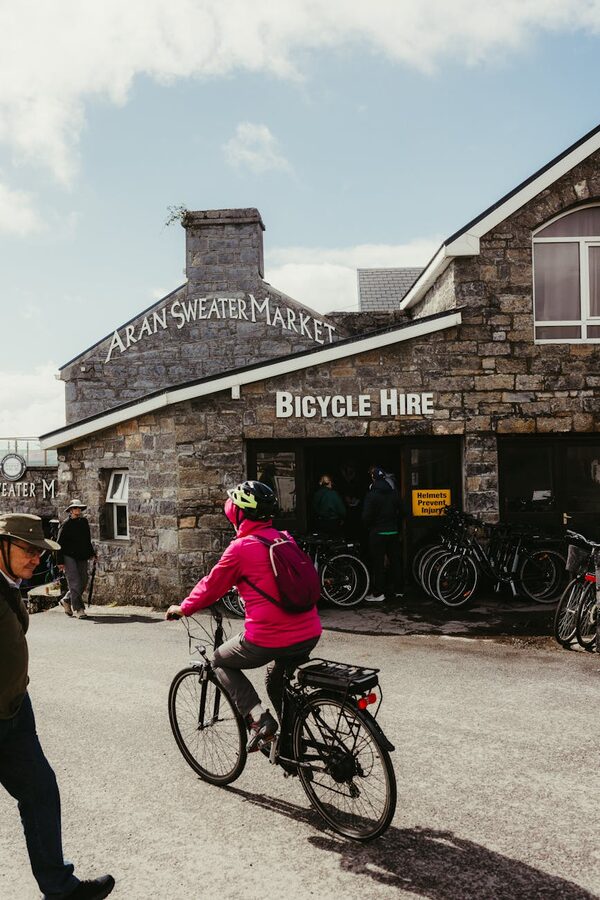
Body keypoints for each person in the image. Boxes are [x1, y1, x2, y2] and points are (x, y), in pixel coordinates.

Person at [0, 513, 115, 900]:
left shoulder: (10, 583)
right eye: (28, 550)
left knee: (41, 792)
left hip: (14, 710)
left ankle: (59, 888)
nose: (36, 558)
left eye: (39, 551)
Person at [166, 481, 322, 751]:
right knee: (276, 679)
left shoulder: (240, 549)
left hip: (268, 637)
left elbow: (211, 586)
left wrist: (184, 608)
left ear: (239, 513)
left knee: (218, 661)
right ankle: (291, 741)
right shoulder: (284, 537)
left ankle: (260, 721)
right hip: (309, 632)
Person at [362, 466, 403, 603]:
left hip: (378, 533)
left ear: (373, 478)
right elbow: (403, 511)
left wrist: (369, 527)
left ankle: (379, 593)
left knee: (378, 563)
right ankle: (399, 590)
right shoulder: (394, 493)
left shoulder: (372, 495)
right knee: (396, 561)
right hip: (393, 531)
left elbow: (366, 517)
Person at [57, 500, 96, 619]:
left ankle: (66, 599)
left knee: (83, 581)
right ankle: (79, 609)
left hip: (82, 555)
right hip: (68, 556)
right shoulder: (66, 524)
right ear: (70, 510)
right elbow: (59, 543)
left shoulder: (84, 522)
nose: (77, 510)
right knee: (75, 582)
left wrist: (92, 553)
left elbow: (87, 539)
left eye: (79, 508)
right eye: (75, 508)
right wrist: (60, 562)